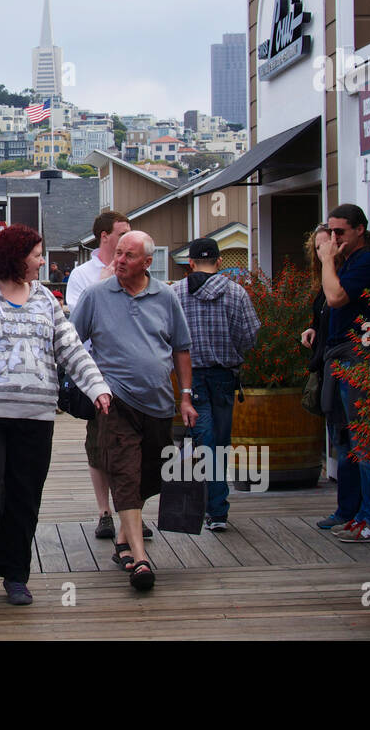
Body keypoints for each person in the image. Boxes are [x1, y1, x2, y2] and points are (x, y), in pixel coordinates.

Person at [0, 224, 111, 618]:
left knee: (24, 496)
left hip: (37, 418)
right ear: (16, 256)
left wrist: (96, 388)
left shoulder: (46, 298)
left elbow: (71, 350)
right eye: (37, 255)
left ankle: (15, 575)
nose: (43, 262)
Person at [69, 230, 197, 592]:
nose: (119, 261)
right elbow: (71, 342)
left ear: (147, 262)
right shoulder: (96, 295)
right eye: (118, 254)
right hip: (115, 401)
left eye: (128, 256)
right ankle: (141, 558)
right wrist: (92, 384)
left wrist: (185, 397)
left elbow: (182, 349)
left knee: (146, 475)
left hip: (158, 403)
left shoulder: (166, 296)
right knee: (124, 471)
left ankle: (125, 538)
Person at [318, 202, 370, 543]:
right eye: (331, 232)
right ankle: (365, 514)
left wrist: (326, 260)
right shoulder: (351, 262)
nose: (334, 239)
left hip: (363, 358)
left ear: (360, 229)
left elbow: (335, 297)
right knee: (351, 441)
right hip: (344, 356)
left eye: (340, 232)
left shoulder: (368, 262)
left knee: (369, 441)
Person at [172, 238, 260, 532]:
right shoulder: (236, 293)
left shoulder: (175, 294)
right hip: (224, 375)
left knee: (203, 440)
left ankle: (209, 508)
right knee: (220, 442)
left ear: (191, 263)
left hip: (190, 377)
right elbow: (250, 336)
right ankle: (217, 511)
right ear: (219, 262)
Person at [65, 210, 131, 541]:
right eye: (122, 234)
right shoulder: (82, 275)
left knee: (131, 445)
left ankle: (130, 514)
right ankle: (105, 511)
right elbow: (78, 323)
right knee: (99, 443)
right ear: (105, 236)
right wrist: (105, 281)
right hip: (98, 372)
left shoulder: (134, 270)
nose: (127, 240)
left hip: (132, 371)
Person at [303, 224, 357, 530]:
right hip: (329, 365)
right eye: (320, 247)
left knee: (350, 441)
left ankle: (354, 510)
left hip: (348, 365)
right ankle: (348, 509)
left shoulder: (345, 280)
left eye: (331, 244)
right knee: (341, 440)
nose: (326, 250)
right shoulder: (325, 282)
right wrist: (312, 329)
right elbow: (323, 314)